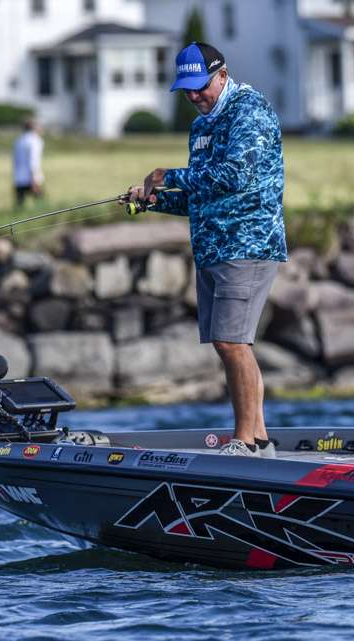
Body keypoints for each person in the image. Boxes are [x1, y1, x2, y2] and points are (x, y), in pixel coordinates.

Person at [124, 42, 287, 457]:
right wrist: (155, 200)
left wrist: (165, 174)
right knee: (229, 343)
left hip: (248, 244)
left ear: (222, 75)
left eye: (200, 87)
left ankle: (245, 443)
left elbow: (234, 175)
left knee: (233, 342)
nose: (195, 96)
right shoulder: (200, 128)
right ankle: (260, 439)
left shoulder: (250, 111)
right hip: (212, 249)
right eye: (187, 90)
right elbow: (201, 193)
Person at [12, 118, 44, 208]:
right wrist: (34, 179)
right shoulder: (35, 140)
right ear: (34, 127)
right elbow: (33, 160)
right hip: (32, 178)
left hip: (18, 178)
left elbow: (15, 161)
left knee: (19, 207)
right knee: (41, 207)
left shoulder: (19, 140)